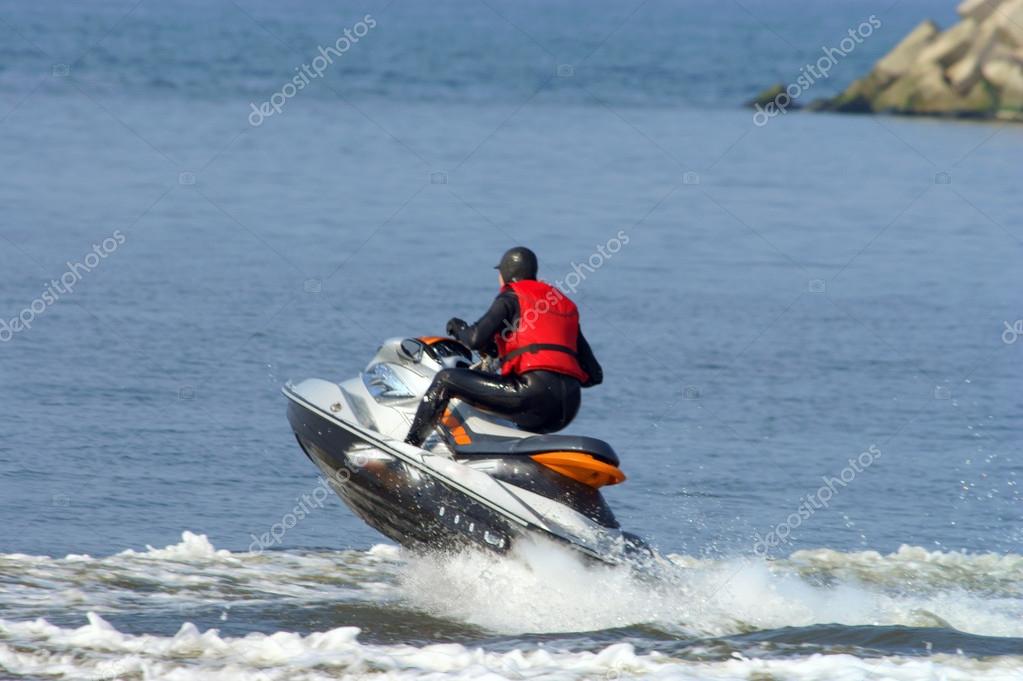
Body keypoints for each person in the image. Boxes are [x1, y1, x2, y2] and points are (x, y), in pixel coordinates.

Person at [404, 246, 603, 447]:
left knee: (445, 380)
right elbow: (595, 374)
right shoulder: (563, 304)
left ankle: (411, 446)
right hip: (568, 407)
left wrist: (459, 328)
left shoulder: (511, 296)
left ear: (506, 273)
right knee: (522, 419)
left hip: (532, 395)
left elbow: (474, 339)